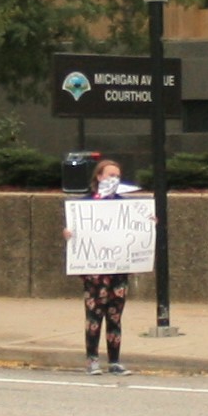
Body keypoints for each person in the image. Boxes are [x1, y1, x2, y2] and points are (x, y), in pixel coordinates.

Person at [72, 153, 140, 372]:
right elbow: (75, 229)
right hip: (95, 272)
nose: (114, 179)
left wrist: (147, 225)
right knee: (94, 315)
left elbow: (136, 228)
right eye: (110, 175)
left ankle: (114, 360)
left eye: (118, 176)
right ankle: (92, 359)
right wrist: (69, 233)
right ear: (99, 177)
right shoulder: (86, 205)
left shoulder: (124, 205)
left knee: (115, 316)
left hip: (118, 269)